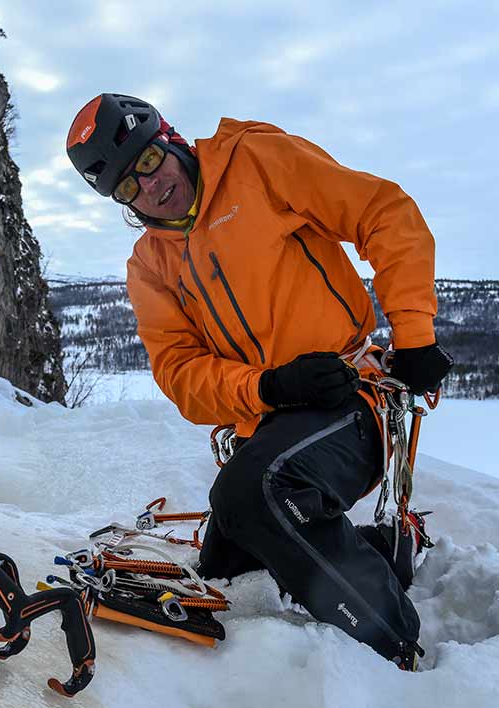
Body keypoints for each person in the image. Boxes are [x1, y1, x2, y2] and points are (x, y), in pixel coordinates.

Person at [65, 94, 453, 669]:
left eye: (148, 163)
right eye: (127, 189)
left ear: (170, 138)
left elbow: (383, 211)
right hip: (272, 418)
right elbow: (180, 373)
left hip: (352, 395)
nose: (149, 189)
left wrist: (415, 334)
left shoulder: (254, 161)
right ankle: (386, 553)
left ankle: (395, 649)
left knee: (258, 493)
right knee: (233, 571)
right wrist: (267, 388)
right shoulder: (151, 264)